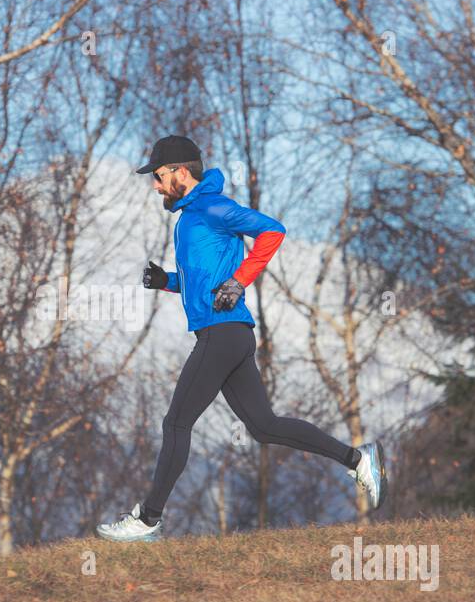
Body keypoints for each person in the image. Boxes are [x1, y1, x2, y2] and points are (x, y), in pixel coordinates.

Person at [96, 135, 387, 542]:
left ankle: (147, 520)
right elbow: (205, 284)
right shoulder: (189, 220)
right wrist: (168, 282)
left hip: (222, 335)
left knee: (177, 422)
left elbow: (273, 231)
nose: (155, 185)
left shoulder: (213, 207)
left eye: (160, 176)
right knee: (264, 427)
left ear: (182, 172)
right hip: (230, 335)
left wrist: (239, 280)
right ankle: (358, 460)